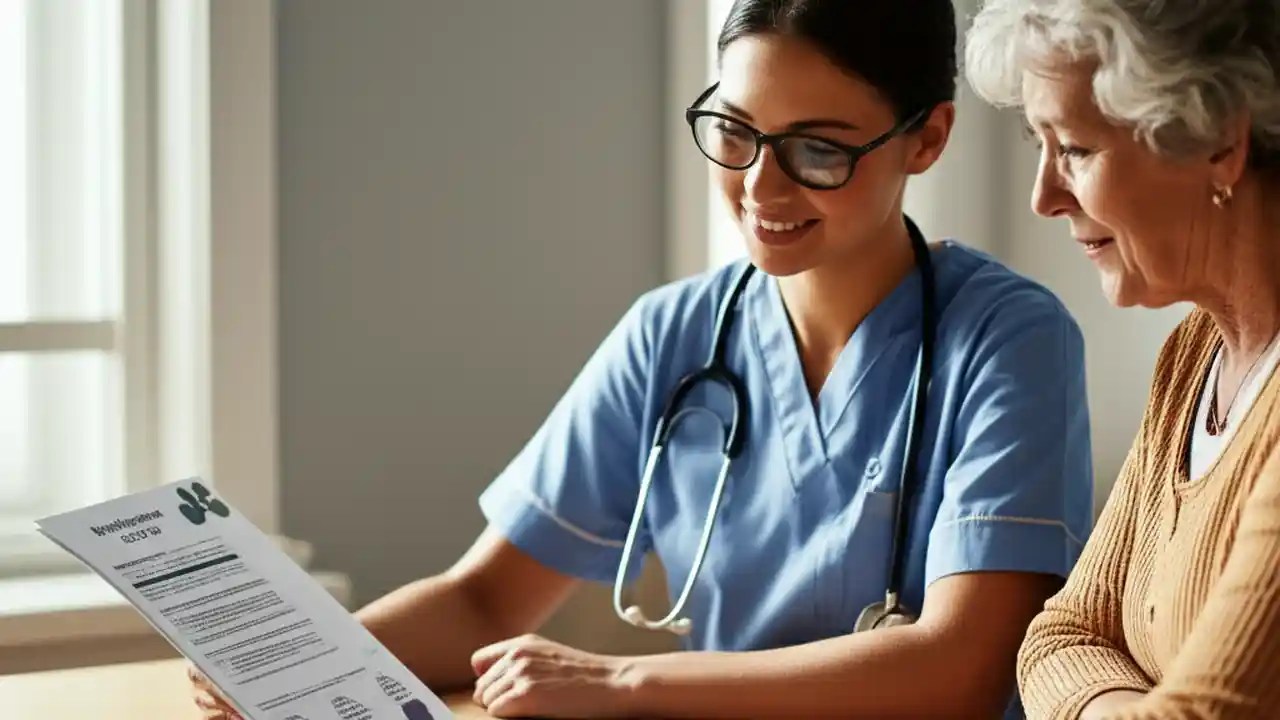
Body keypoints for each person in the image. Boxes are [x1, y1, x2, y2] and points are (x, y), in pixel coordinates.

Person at [196, 1, 1094, 718]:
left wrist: (624, 685)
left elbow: (958, 671)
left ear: (928, 138)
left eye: (817, 149)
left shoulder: (1010, 341)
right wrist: (304, 665)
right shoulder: (673, 335)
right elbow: (483, 602)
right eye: (735, 132)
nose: (759, 186)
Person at [964, 1, 1280, 718]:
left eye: (1073, 148)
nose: (1043, 196)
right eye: (1037, 144)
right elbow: (1057, 635)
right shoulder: (1195, 353)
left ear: (1219, 141)